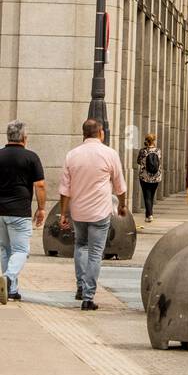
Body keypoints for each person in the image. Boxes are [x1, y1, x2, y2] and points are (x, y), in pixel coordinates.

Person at [58, 119, 127, 311]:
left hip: (78, 211)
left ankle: (81, 286)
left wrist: (63, 214)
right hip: (100, 212)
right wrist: (122, 205)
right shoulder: (109, 154)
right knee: (95, 253)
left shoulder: (72, 155)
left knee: (80, 246)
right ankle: (88, 297)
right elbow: (120, 185)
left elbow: (65, 189)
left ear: (83, 134)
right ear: (101, 133)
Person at [0, 120, 46, 304]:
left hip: (0, 211)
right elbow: (40, 185)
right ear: (25, 138)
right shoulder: (31, 157)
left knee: (5, 249)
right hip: (19, 211)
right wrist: (41, 208)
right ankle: (9, 278)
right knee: (21, 249)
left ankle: (11, 290)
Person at [135, 133, 162, 223]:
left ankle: (149, 215)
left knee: (147, 196)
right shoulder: (158, 150)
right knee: (151, 196)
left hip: (144, 176)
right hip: (156, 177)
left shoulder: (143, 151)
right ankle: (148, 214)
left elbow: (138, 161)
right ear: (154, 140)